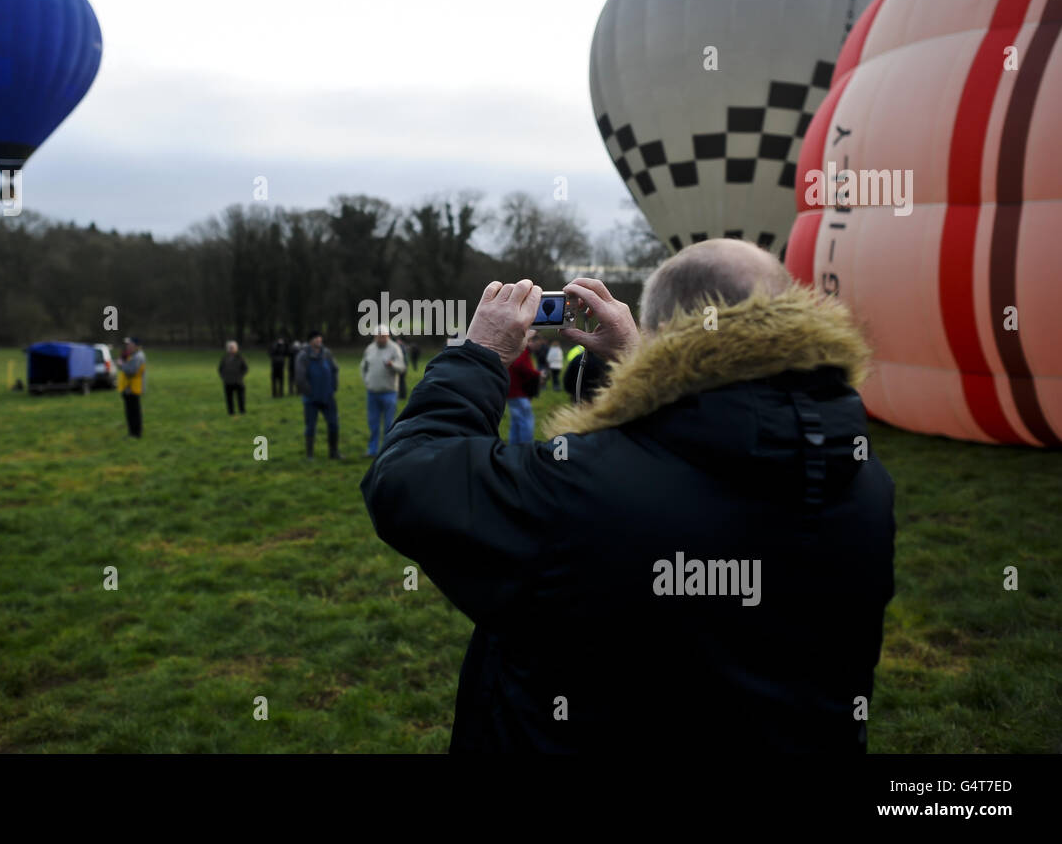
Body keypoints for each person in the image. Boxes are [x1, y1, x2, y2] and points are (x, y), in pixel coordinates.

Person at [360, 240, 895, 753]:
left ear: (662, 332)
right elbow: (682, 456)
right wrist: (631, 370)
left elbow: (406, 476)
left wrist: (479, 356)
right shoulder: (860, 477)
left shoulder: (579, 493)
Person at [295, 330, 341, 459]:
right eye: (316, 338)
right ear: (310, 341)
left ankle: (334, 452)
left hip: (328, 396)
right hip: (311, 399)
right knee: (310, 427)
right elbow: (300, 377)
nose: (319, 340)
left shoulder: (327, 353)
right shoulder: (303, 356)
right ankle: (310, 454)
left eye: (320, 338)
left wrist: (333, 387)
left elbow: (335, 369)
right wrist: (309, 392)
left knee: (334, 424)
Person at [360, 325, 405, 458]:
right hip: (372, 392)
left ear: (388, 336)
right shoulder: (370, 348)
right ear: (375, 337)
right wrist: (367, 381)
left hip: (389, 392)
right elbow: (363, 367)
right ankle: (372, 450)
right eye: (378, 337)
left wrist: (393, 365)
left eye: (383, 337)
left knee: (389, 424)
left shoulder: (394, 348)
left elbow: (402, 367)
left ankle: (387, 450)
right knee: (373, 423)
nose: (381, 339)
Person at [505, 330, 542, 445]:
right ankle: (526, 449)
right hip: (518, 392)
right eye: (538, 344)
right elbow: (520, 365)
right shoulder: (523, 350)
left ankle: (514, 447)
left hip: (512, 391)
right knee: (526, 421)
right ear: (530, 341)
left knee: (516, 421)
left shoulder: (516, 349)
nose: (538, 347)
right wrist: (537, 374)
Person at [117, 336, 147, 438]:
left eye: (129, 344)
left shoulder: (138, 356)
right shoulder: (133, 355)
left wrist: (121, 365)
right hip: (129, 388)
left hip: (132, 389)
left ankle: (135, 433)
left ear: (135, 345)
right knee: (131, 412)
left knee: (134, 412)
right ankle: (133, 432)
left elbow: (131, 371)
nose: (127, 346)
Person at [219, 340, 249, 415]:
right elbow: (220, 369)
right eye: (229, 348)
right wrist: (224, 377)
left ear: (236, 348)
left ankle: (242, 411)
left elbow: (245, 368)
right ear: (227, 349)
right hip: (228, 381)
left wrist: (240, 376)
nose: (231, 349)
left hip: (238, 381)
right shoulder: (224, 358)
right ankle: (231, 412)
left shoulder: (240, 357)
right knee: (229, 398)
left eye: (233, 347)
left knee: (241, 398)